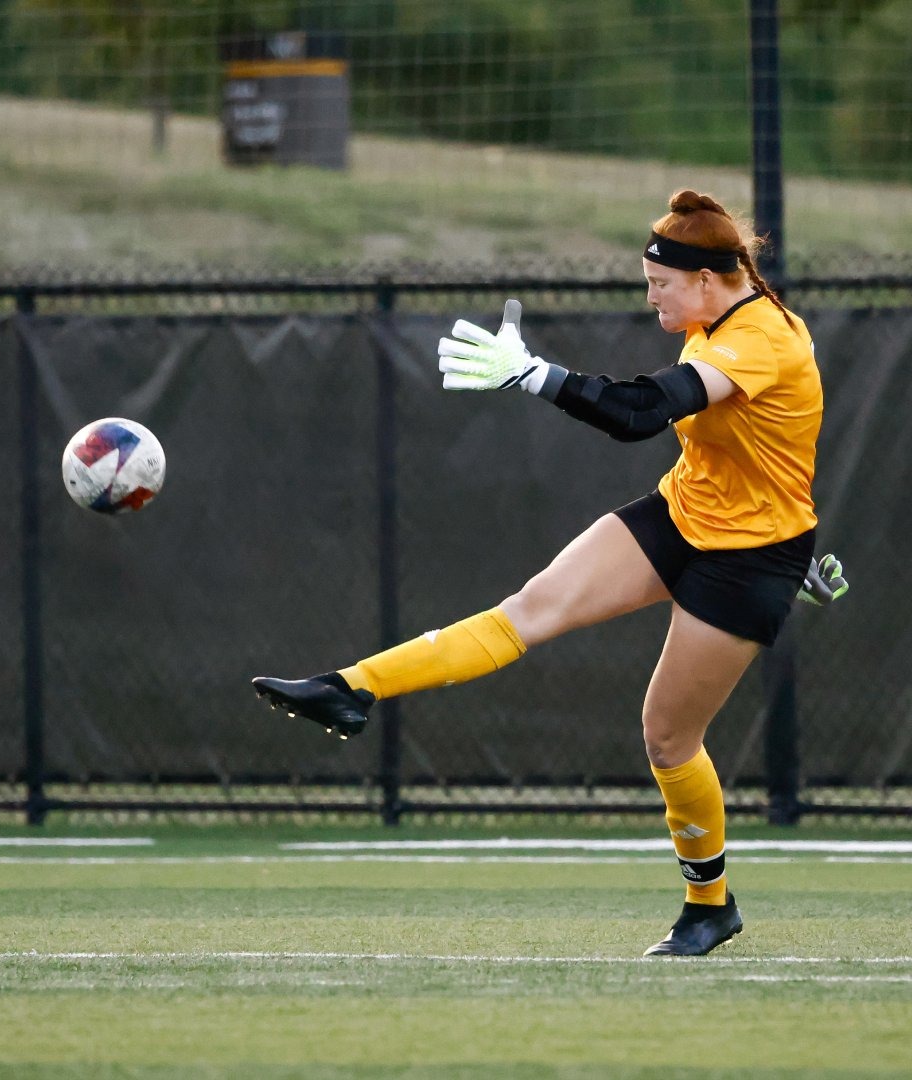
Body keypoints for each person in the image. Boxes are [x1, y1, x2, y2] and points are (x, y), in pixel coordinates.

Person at [253, 189, 845, 957]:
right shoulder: (714, 319)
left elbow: (639, 414)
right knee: (529, 608)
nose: (651, 296)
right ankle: (351, 687)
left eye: (659, 283)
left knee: (667, 738)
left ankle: (710, 905)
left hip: (750, 560)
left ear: (707, 280)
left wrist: (534, 374)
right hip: (684, 513)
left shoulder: (760, 336)